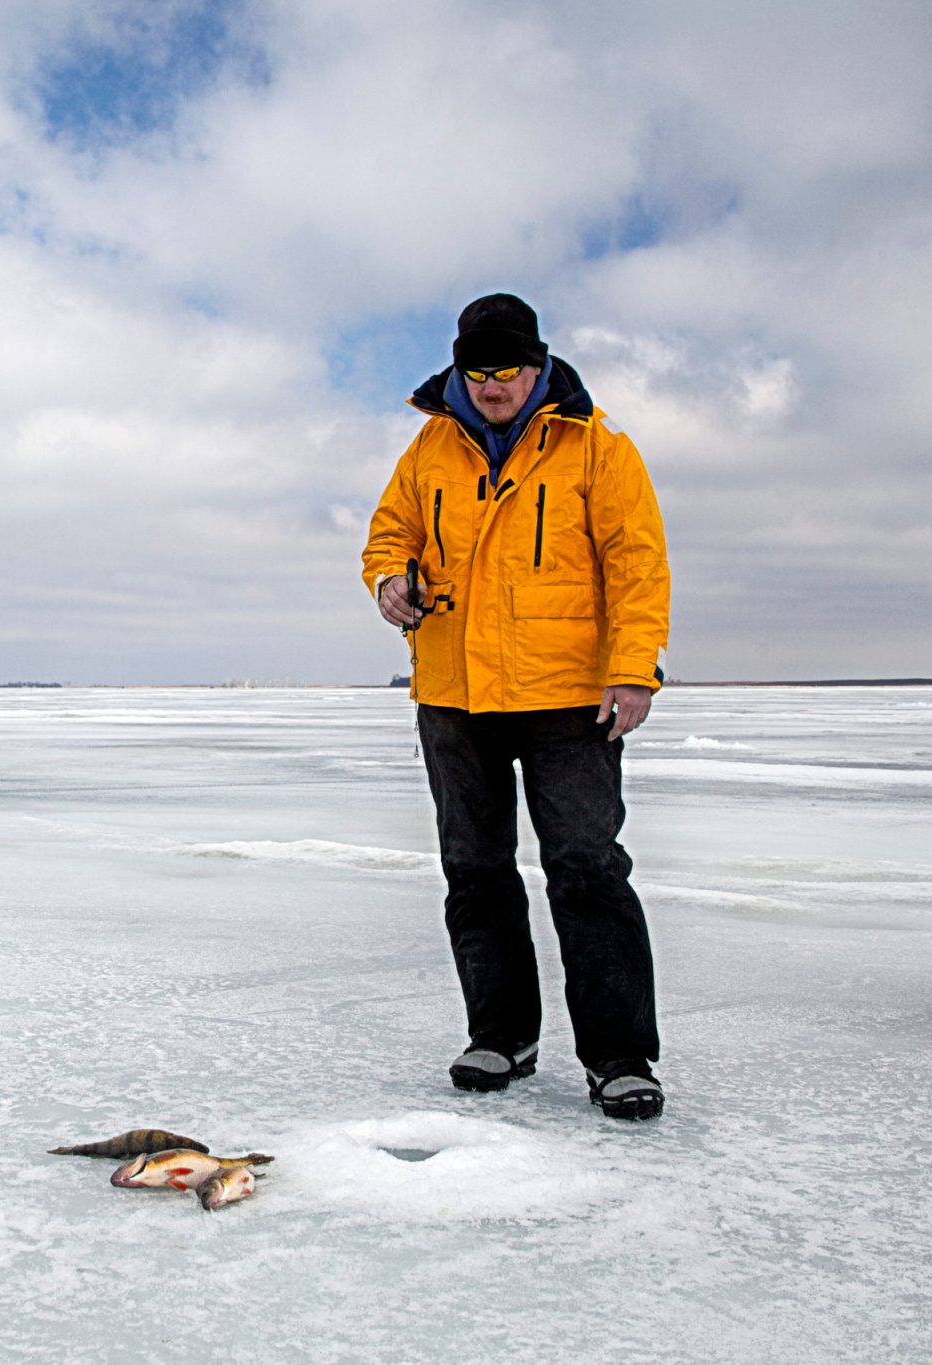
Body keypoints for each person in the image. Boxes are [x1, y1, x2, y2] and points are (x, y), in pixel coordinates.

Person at [360, 293, 672, 1120]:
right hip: (454, 693)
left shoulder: (596, 446)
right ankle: (502, 1035)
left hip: (569, 695)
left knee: (587, 867)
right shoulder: (429, 447)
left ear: (537, 365)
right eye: (478, 372)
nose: (492, 386)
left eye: (507, 370)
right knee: (475, 868)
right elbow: (388, 535)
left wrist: (633, 668)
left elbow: (637, 563)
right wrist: (389, 579)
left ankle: (618, 1055)